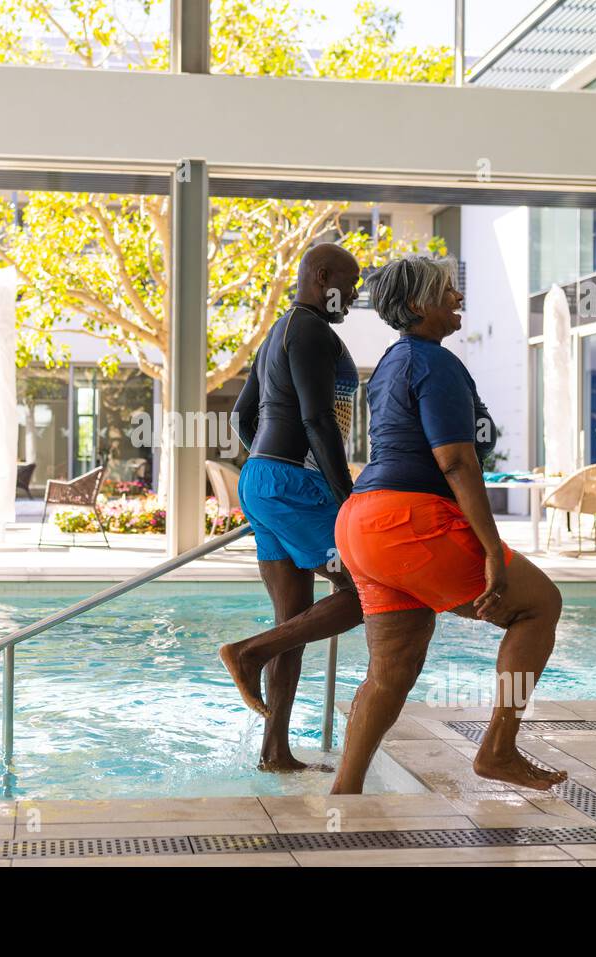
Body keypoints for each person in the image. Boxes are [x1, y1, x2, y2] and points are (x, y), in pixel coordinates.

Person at [329, 255, 568, 794]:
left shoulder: (393, 361)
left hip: (362, 525)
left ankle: (345, 793)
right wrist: (492, 550)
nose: (457, 299)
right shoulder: (434, 362)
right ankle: (499, 750)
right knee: (538, 605)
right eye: (446, 291)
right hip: (408, 520)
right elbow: (456, 460)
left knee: (392, 671)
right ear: (417, 305)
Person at [221, 243, 365, 772]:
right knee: (367, 591)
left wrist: (267, 466)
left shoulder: (277, 332)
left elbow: (242, 414)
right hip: (296, 481)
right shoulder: (310, 330)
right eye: (348, 285)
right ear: (321, 275)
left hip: (261, 478)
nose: (352, 295)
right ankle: (248, 652)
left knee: (296, 621)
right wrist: (346, 498)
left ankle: (275, 751)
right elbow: (318, 419)